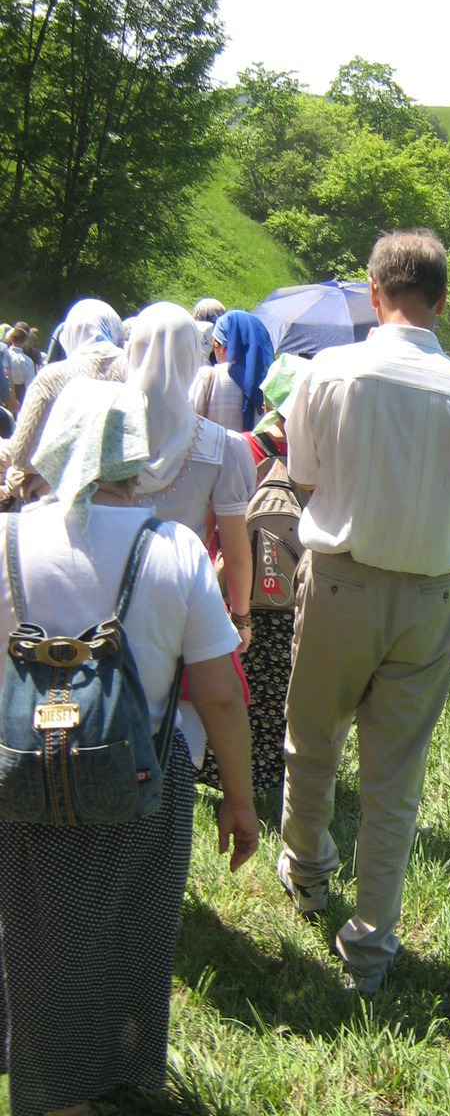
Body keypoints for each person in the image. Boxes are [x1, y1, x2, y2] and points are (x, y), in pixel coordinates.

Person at [278, 229, 450, 995]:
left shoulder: (330, 371)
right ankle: (372, 946)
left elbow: (304, 476)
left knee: (312, 738)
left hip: (340, 581)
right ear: (442, 301)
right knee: (395, 778)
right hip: (429, 596)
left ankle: (310, 874)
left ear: (373, 291)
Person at [0, 377, 259, 1116]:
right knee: (121, 928)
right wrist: (239, 800)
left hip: (17, 779)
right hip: (137, 785)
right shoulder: (173, 550)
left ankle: (38, 1060)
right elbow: (218, 695)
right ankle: (82, 1078)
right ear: (135, 458)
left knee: (23, 922)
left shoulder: (5, 538)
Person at [125, 303, 257, 768]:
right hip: (184, 594)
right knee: (177, 742)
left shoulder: (108, 432)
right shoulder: (219, 445)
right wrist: (240, 617)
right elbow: (237, 551)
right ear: (193, 357)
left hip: (110, 588)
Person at [197, 352, 312, 793]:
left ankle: (226, 771)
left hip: (238, 590)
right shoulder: (319, 455)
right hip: (295, 592)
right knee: (285, 687)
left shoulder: (241, 446)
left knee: (236, 683)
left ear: (268, 399)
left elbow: (216, 519)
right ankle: (278, 774)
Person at [3, 298, 128, 504]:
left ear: (68, 334)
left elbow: (21, 455)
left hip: (58, 505)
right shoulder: (136, 371)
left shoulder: (53, 376)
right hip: (120, 503)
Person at [189, 309, 274, 433]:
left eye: (215, 345)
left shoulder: (208, 377)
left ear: (223, 347)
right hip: (250, 452)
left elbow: (187, 422)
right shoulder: (271, 384)